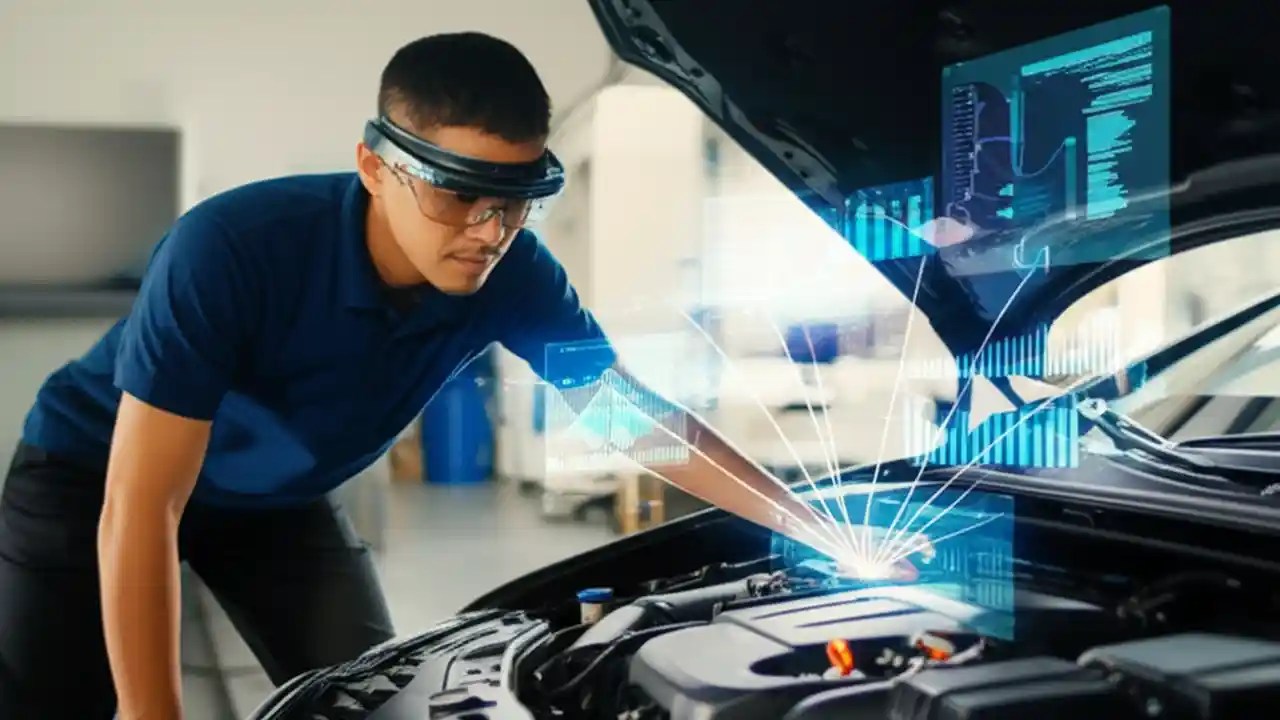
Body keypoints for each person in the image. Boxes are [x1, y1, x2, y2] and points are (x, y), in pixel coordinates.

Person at [0, 32, 929, 720]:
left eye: (516, 201)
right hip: (94, 482)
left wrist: (812, 524)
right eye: (458, 195)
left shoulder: (514, 274)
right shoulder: (231, 248)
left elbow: (624, 414)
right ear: (376, 164)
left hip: (278, 505)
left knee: (388, 702)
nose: (490, 231)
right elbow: (143, 502)